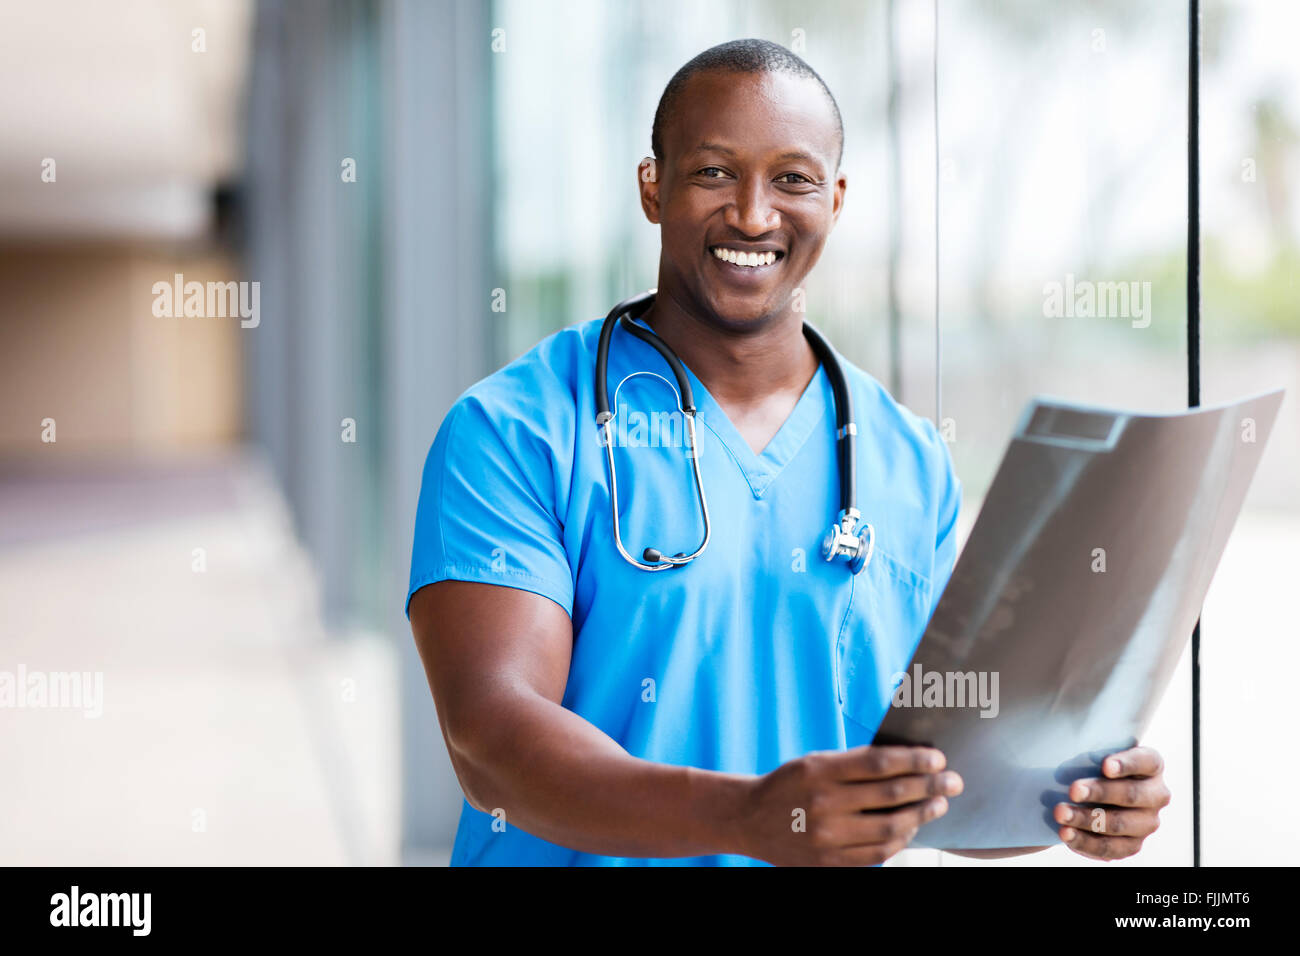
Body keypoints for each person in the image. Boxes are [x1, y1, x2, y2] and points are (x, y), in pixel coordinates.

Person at [405, 38, 1170, 866]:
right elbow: (490, 740)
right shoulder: (516, 432)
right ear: (651, 188)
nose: (753, 214)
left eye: (792, 179)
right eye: (713, 172)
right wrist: (744, 818)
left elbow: (941, 778)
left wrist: (1073, 796)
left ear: (835, 200)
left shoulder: (906, 461)